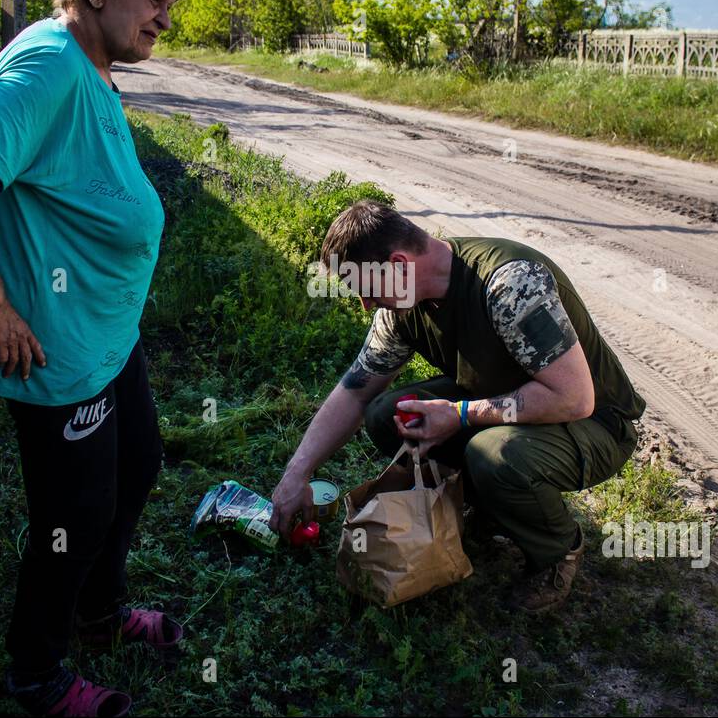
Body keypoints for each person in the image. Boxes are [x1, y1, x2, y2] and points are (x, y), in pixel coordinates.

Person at [0, 0, 192, 716]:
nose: (163, 19)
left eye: (168, 5)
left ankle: (100, 616)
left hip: (110, 336)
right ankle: (36, 675)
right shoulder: (49, 63)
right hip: (60, 353)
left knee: (138, 466)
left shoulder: (89, 66)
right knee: (73, 514)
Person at [270, 200, 646, 613]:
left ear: (397, 265)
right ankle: (485, 505)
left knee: (496, 456)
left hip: (595, 422)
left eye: (367, 291)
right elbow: (357, 389)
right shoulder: (405, 305)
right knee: (387, 414)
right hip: (511, 399)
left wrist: (461, 415)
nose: (366, 305)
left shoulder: (509, 285)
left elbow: (574, 397)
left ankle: (558, 551)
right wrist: (296, 473)